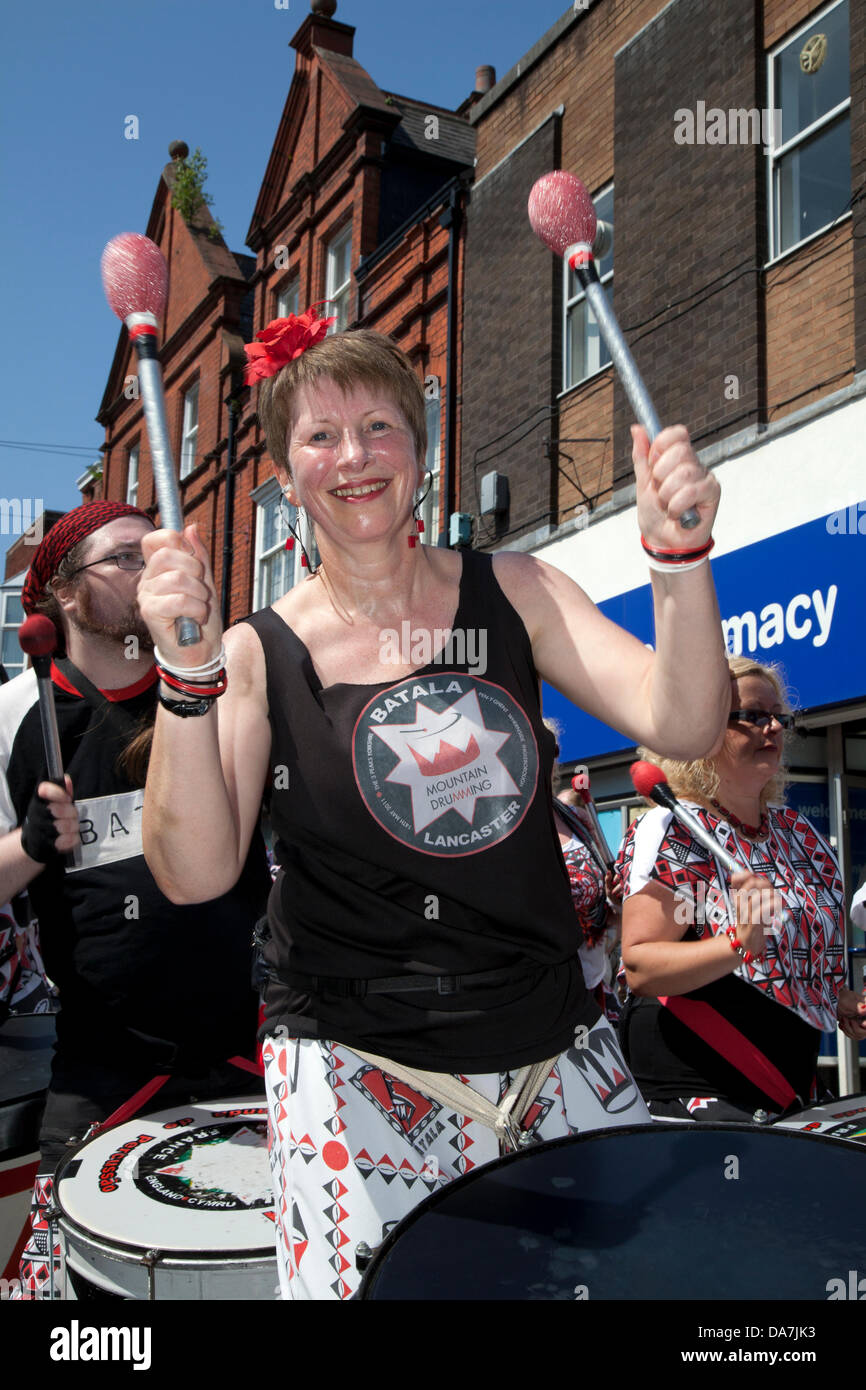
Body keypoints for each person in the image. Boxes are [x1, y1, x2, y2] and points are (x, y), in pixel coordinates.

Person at [136, 312, 728, 1300]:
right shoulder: (251, 652)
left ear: (422, 451)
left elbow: (684, 718)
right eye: (320, 436)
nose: (354, 455)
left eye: (380, 426)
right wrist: (185, 676)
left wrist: (680, 562)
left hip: (552, 1045)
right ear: (287, 478)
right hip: (352, 1071)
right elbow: (192, 871)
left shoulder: (518, 590)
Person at [0, 501, 270, 1296]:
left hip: (246, 1056)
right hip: (102, 1074)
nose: (152, 567)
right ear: (65, 596)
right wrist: (31, 846)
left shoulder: (211, 690)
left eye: (158, 552)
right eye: (125, 558)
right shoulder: (18, 713)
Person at [616, 654, 865, 1122]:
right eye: (751, 716)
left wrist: (839, 1001)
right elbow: (640, 966)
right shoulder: (673, 828)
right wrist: (737, 943)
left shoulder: (800, 834)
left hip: (787, 1084)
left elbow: (795, 967)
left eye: (778, 717)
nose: (772, 729)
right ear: (702, 728)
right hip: (696, 1082)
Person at [552, 782, 621, 1022]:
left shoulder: (574, 818)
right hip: (544, 998)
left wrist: (615, 902)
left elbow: (608, 895)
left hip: (593, 985)